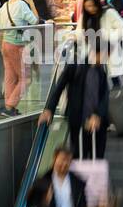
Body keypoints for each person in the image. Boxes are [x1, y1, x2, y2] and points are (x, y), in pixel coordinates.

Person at [39, 12, 111, 158]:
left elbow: (105, 96)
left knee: (97, 158)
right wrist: (49, 109)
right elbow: (59, 86)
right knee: (78, 158)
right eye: (104, 54)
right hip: (78, 122)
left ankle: (94, 181)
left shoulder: (102, 71)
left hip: (97, 125)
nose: (105, 58)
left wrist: (98, 116)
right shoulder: (75, 65)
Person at [0, 0, 40, 116]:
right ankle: (10, 106)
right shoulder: (21, 5)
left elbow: (0, 29)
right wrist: (31, 4)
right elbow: (34, 21)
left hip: (5, 44)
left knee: (10, 76)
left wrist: (1, 45)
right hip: (17, 45)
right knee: (26, 78)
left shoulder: (4, 6)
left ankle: (9, 107)